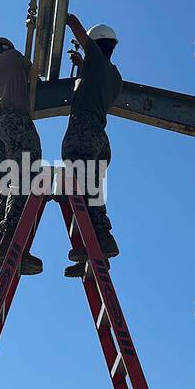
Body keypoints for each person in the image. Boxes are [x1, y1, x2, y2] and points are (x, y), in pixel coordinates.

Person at [62, 14, 122, 278]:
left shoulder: (95, 60)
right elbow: (95, 76)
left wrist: (63, 18)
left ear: (96, 45)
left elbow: (76, 26)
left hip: (83, 130)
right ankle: (94, 252)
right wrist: (83, 63)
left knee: (78, 189)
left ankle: (101, 241)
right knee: (91, 190)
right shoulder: (114, 75)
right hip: (99, 136)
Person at [0, 37, 42, 275]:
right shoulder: (14, 58)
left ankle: (3, 238)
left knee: (5, 185)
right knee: (26, 176)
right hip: (15, 121)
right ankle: (15, 242)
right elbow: (37, 72)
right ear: (6, 49)